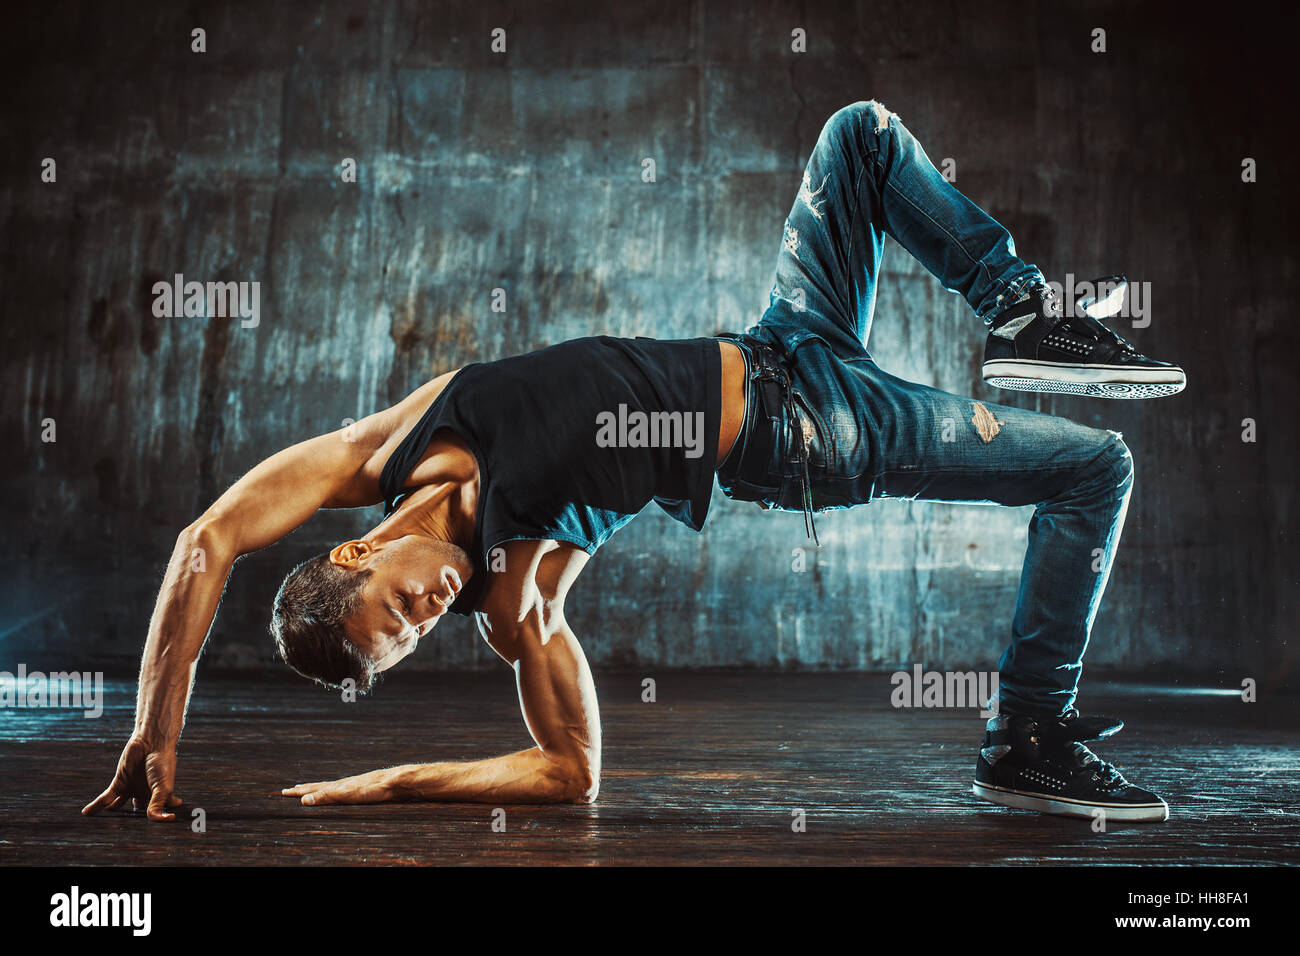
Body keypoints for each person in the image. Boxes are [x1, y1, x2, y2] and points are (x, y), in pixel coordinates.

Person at [85, 100, 1180, 825]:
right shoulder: (518, 599)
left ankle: (1021, 313)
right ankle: (1028, 731)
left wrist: (154, 724)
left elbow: (207, 539)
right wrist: (397, 777)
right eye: (414, 636)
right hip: (808, 434)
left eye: (397, 602)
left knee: (859, 135)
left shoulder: (388, 444)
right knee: (1097, 470)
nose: (430, 609)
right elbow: (570, 771)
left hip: (780, 343)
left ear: (358, 546)